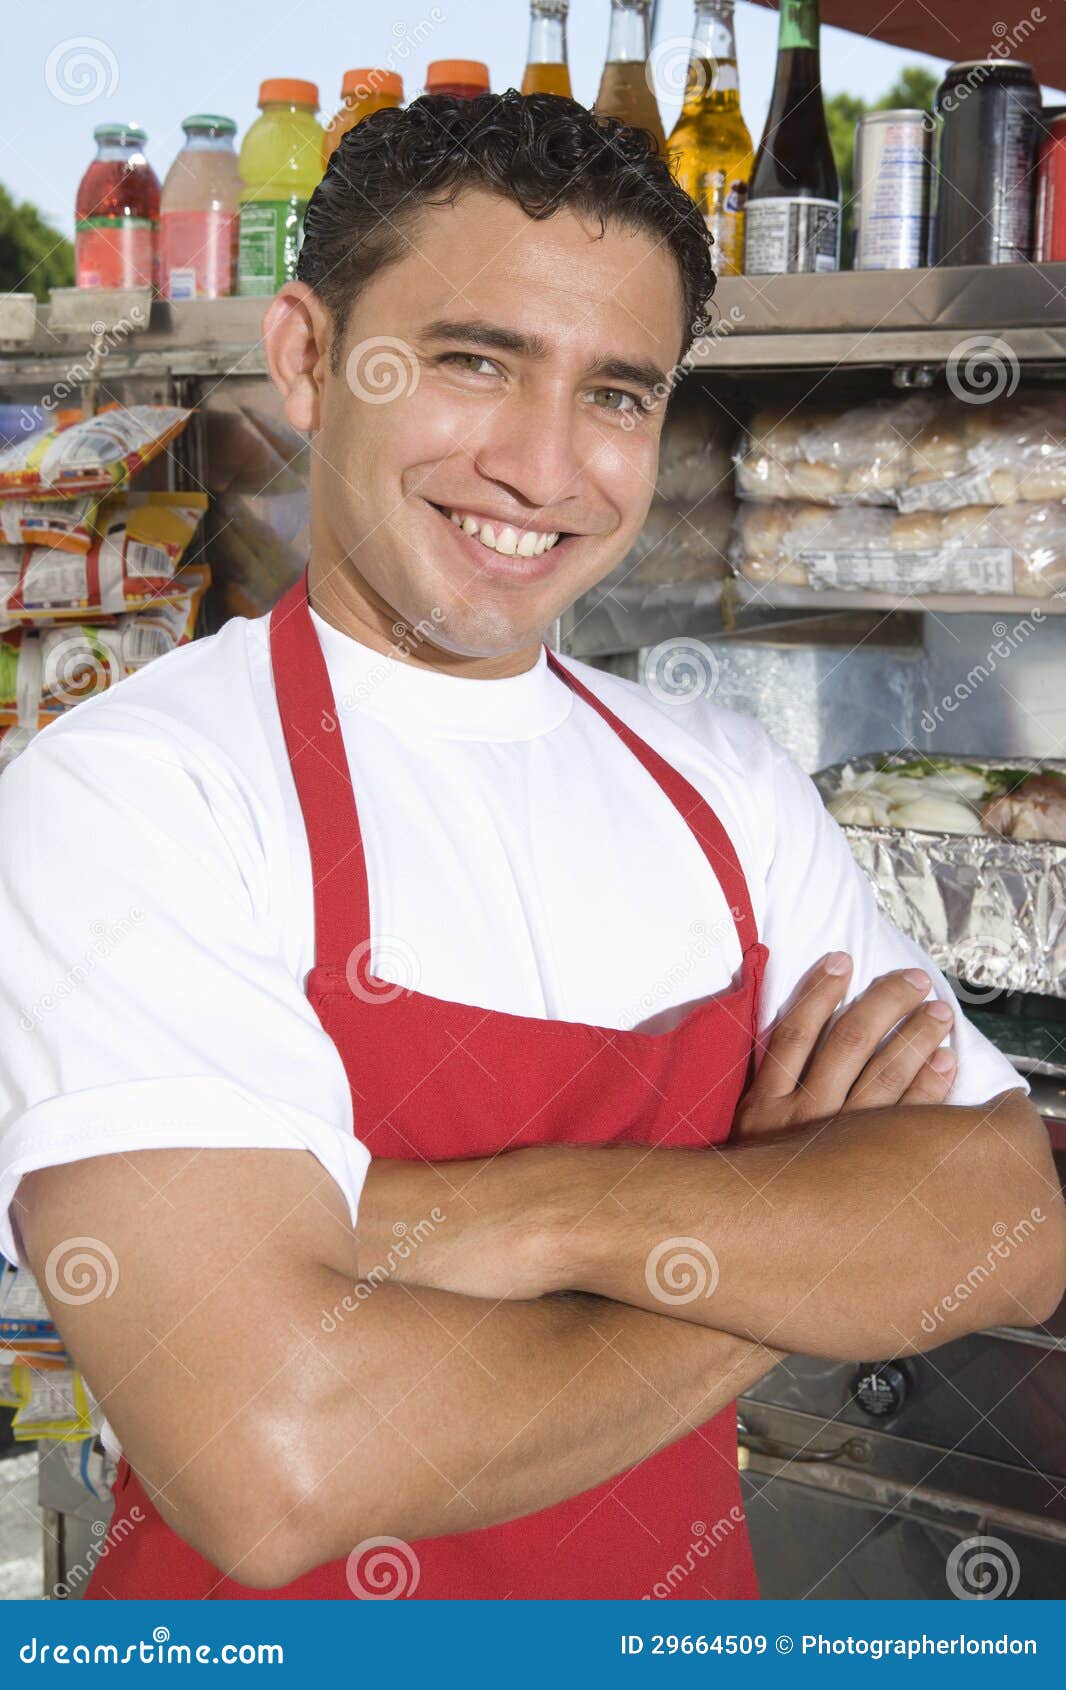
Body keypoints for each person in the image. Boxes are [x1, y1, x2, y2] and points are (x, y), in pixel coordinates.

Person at [1, 91, 1063, 1602]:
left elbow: (1006, 1223)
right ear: (308, 358)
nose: (543, 467)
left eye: (617, 394)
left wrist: (514, 1214)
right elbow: (274, 1456)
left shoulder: (724, 784)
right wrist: (785, 1247)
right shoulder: (136, 791)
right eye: (473, 362)